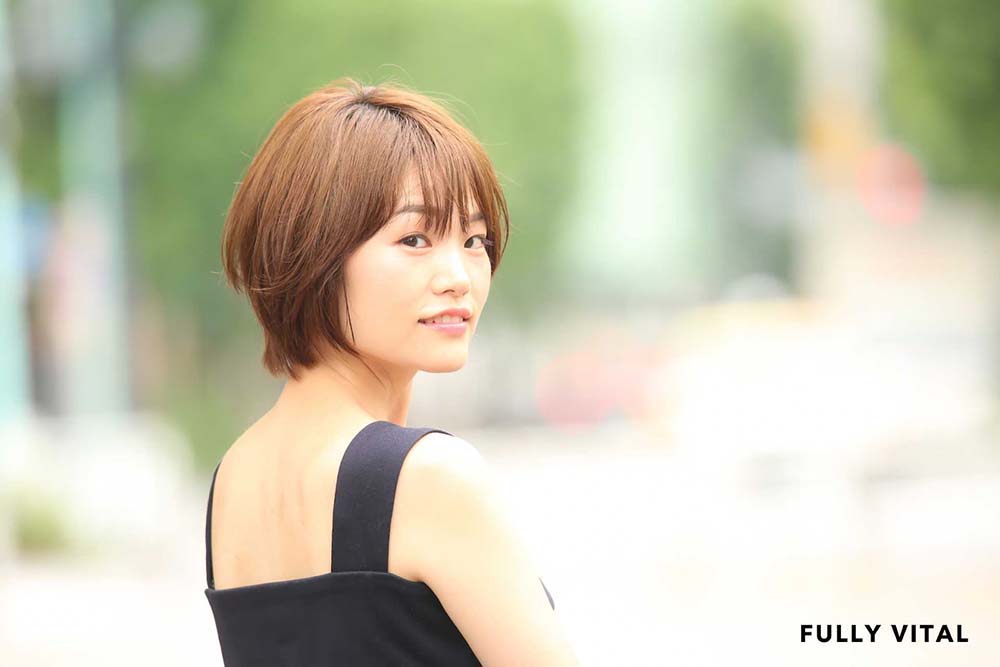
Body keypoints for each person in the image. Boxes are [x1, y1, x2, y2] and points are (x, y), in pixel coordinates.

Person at [203, 77, 580, 666]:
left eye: (474, 239)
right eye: (415, 238)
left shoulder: (234, 476)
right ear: (315, 253)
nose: (458, 276)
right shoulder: (428, 476)